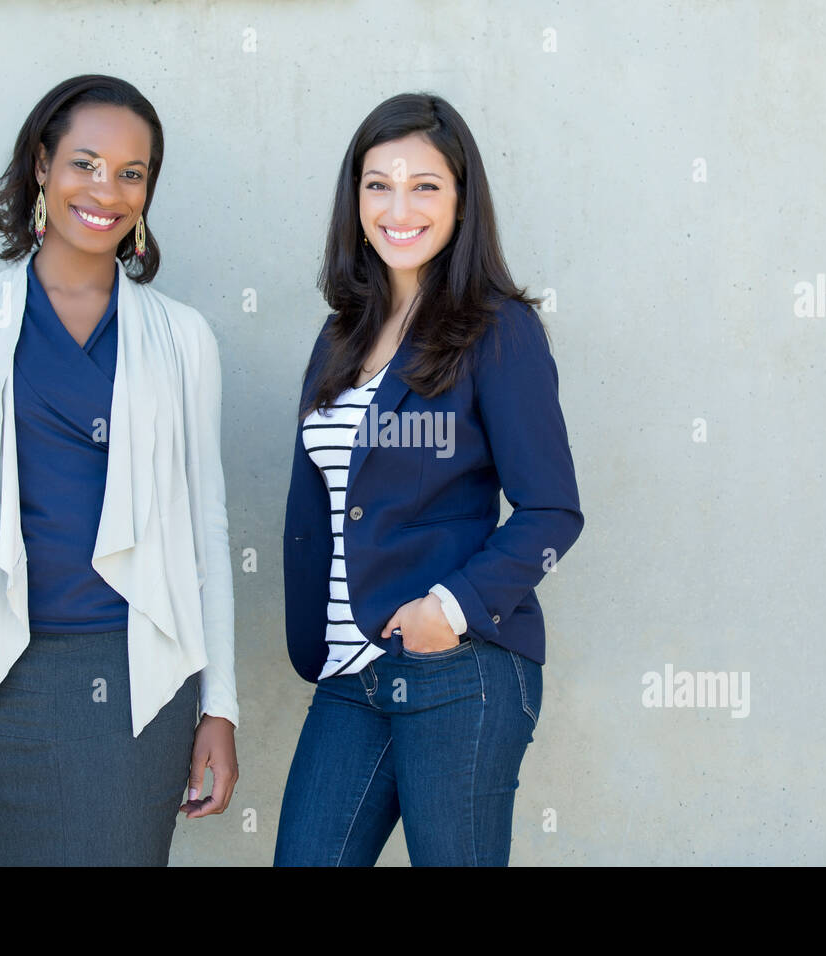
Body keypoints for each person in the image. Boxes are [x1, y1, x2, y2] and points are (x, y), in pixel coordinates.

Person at [0, 74, 238, 865]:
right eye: (85, 163)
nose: (106, 191)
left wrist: (220, 710)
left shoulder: (183, 338)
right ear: (41, 166)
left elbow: (205, 532)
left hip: (138, 684)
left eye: (132, 173)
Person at [275, 92, 584, 866]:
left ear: (461, 199)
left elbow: (552, 510)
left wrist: (446, 610)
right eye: (378, 184)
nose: (398, 207)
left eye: (425, 185)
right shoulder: (340, 334)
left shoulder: (496, 328)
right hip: (350, 669)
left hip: (458, 663)